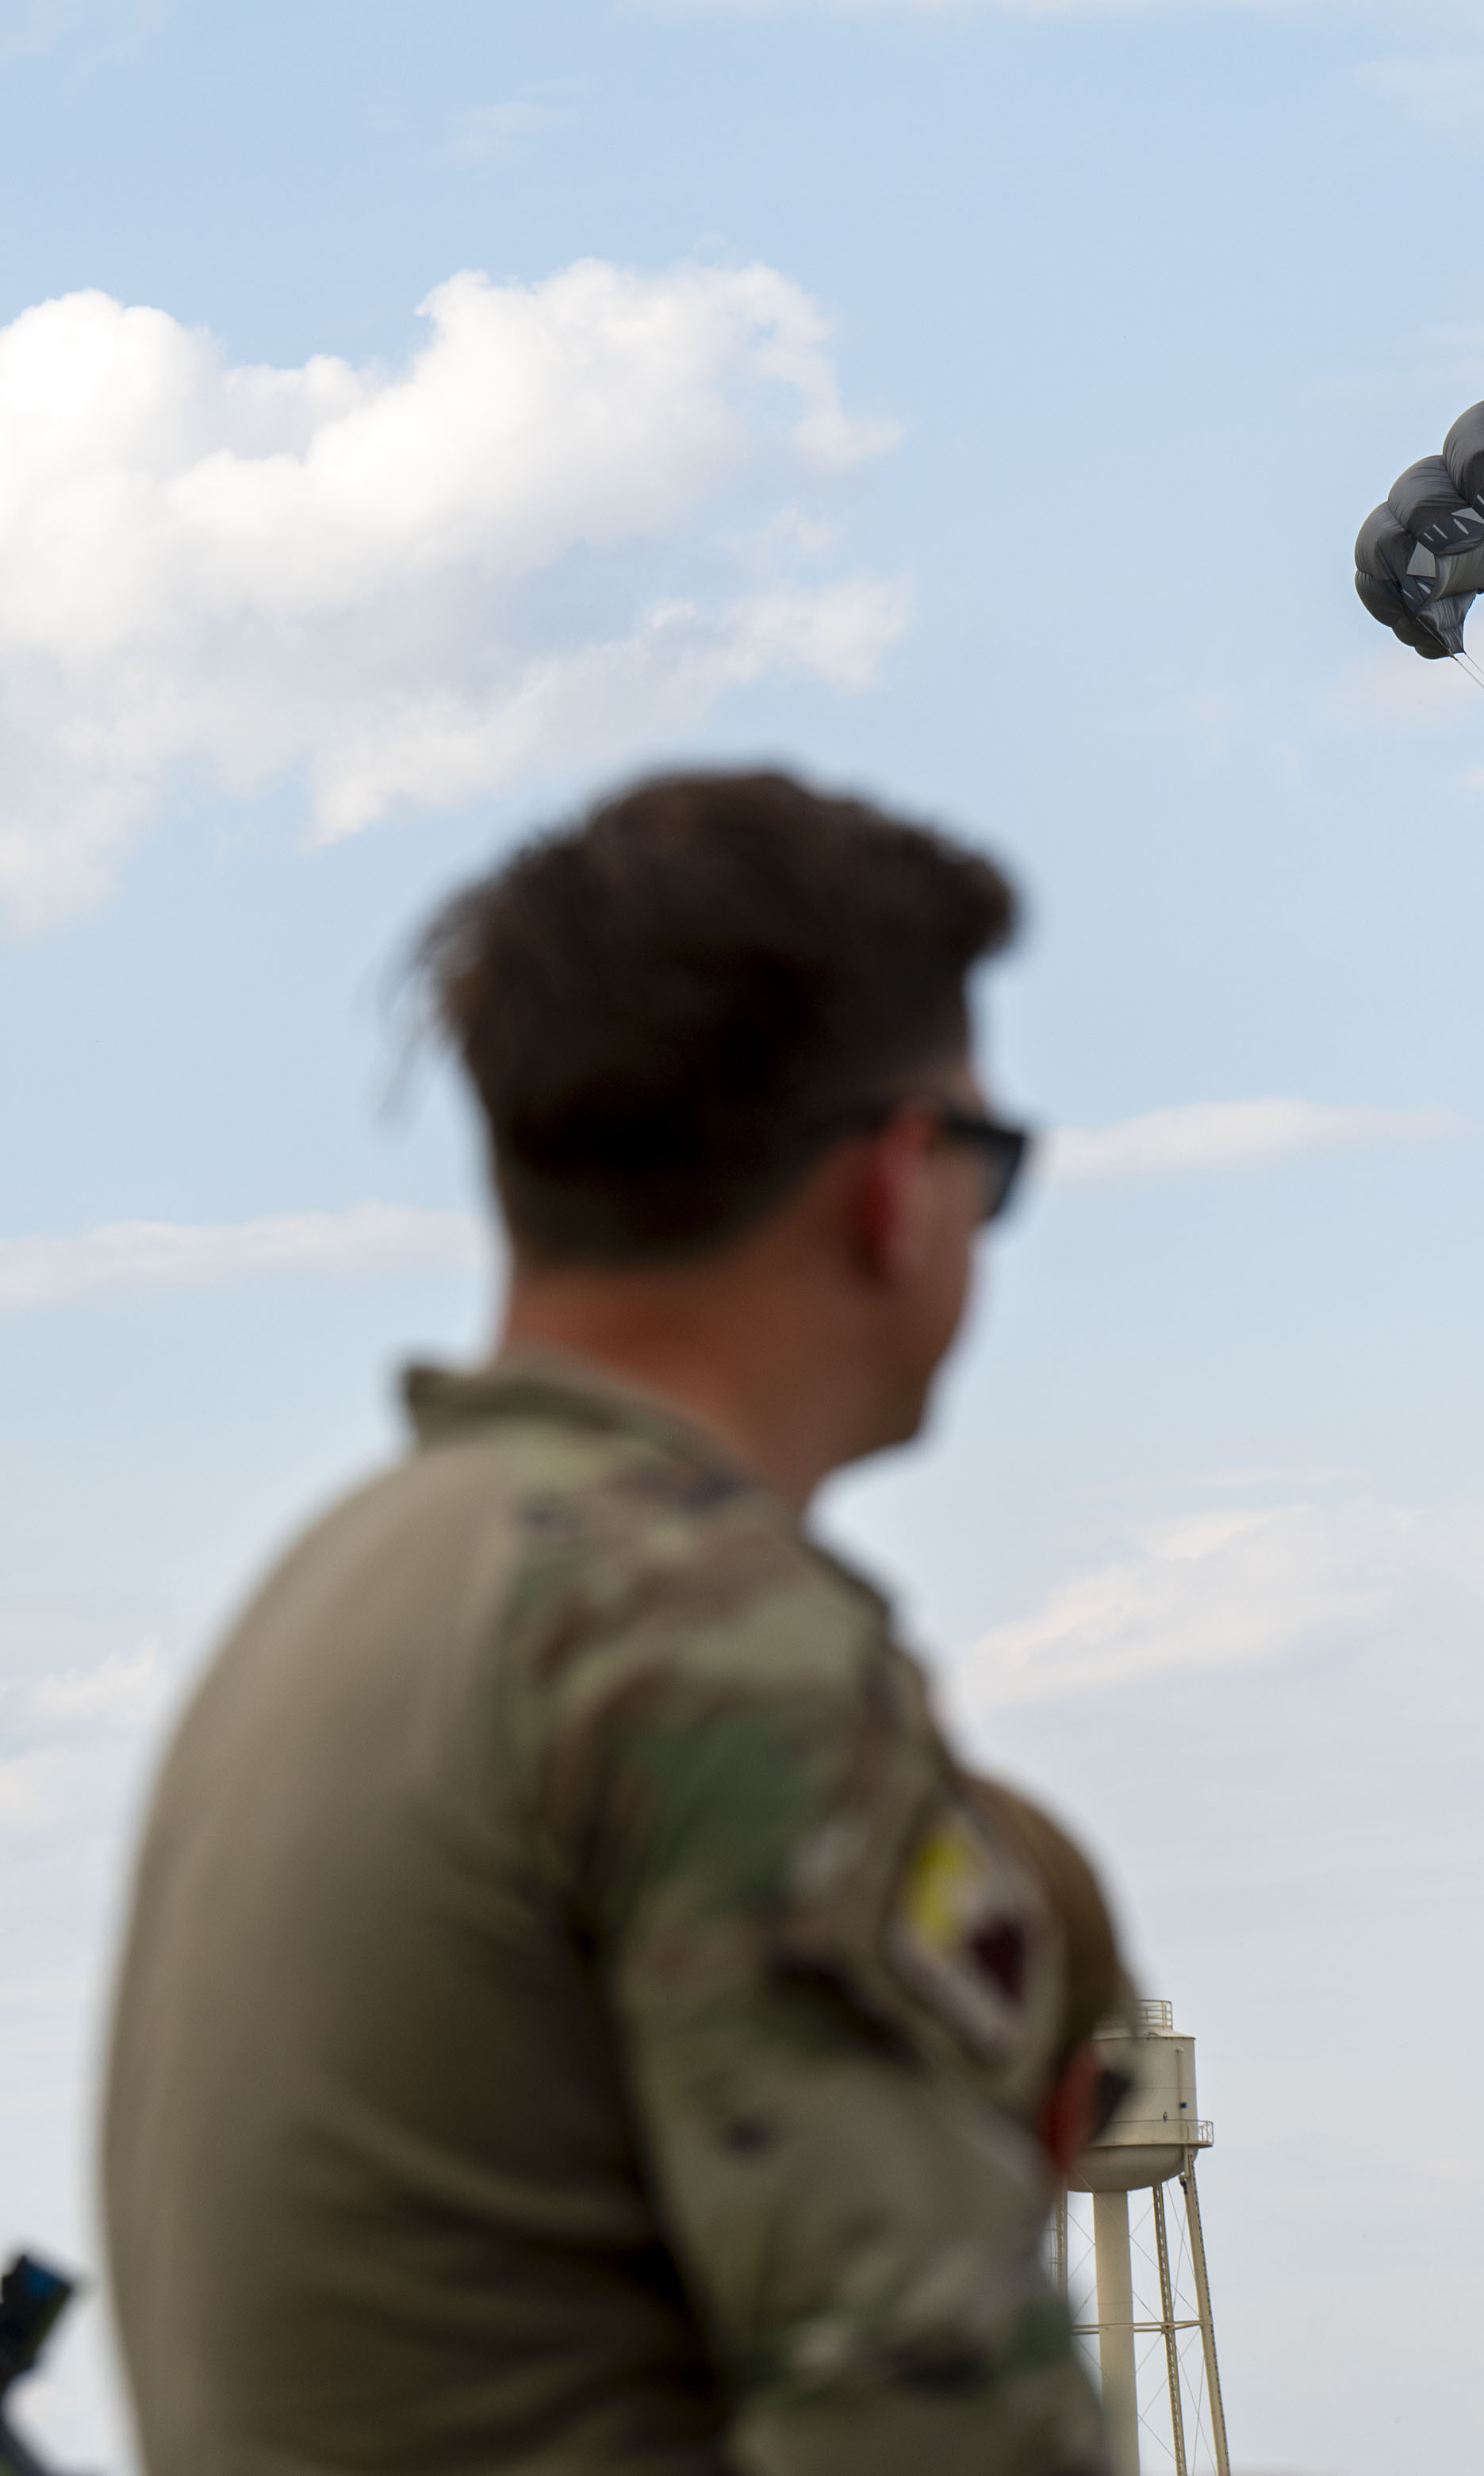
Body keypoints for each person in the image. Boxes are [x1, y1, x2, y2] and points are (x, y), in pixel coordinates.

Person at [100, 769, 1125, 2476]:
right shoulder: (697, 1640)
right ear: (896, 1181)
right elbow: (939, 2426)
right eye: (992, 1162)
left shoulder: (332, 1594)